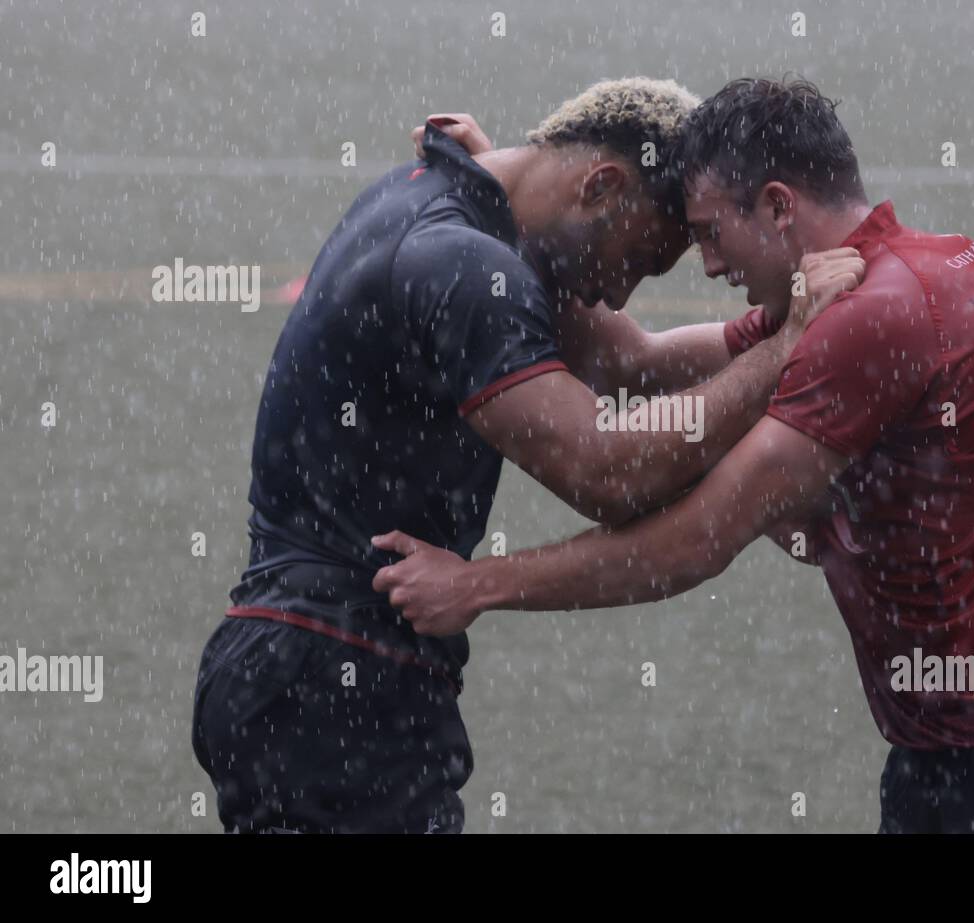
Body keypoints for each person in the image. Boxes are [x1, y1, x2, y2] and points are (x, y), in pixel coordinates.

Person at [372, 77, 974, 834]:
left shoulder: (866, 317)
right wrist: (517, 201)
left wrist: (476, 583)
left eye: (714, 234)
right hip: (967, 756)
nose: (711, 266)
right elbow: (633, 362)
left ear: (779, 207)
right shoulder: (870, 282)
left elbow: (696, 539)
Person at [190, 77, 866, 833]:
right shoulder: (463, 264)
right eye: (638, 260)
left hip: (298, 669)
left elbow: (628, 362)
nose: (619, 295)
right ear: (602, 184)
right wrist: (787, 350)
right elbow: (609, 471)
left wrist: (788, 330)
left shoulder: (444, 200)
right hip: (334, 683)